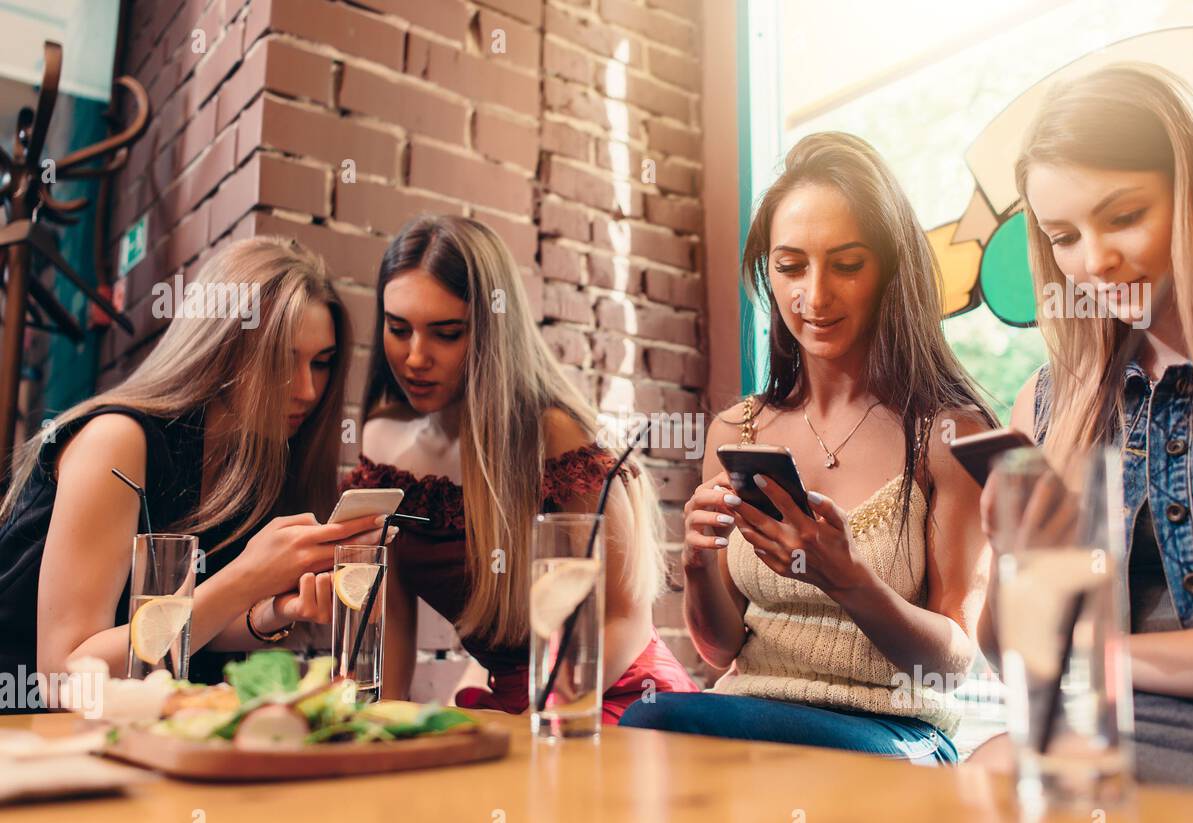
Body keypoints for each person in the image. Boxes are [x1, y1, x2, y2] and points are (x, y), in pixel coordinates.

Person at [974, 63, 1193, 796]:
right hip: (1098, 734)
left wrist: (1117, 659)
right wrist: (1015, 557)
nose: (1093, 261)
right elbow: (1013, 654)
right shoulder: (1052, 402)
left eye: (1123, 216)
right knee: (981, 784)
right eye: (1063, 235)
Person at [619, 132, 995, 762]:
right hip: (748, 713)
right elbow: (719, 650)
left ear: (890, 269)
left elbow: (954, 664)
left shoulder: (949, 432)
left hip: (891, 734)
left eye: (847, 265)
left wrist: (849, 580)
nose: (814, 296)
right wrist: (696, 561)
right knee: (646, 722)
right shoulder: (736, 430)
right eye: (791, 267)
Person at [0, 236, 382, 708]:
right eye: (282, 359)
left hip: (151, 742)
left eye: (321, 364)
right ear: (220, 346)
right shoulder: (117, 440)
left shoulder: (255, 457)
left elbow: (192, 632)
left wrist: (273, 611)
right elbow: (64, 677)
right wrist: (244, 578)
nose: (307, 389)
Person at [344, 214, 697, 719]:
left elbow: (623, 620)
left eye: (446, 333)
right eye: (398, 328)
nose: (414, 357)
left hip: (613, 693)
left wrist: (540, 721)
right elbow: (393, 612)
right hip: (512, 703)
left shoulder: (559, 434)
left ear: (492, 330)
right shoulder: (381, 439)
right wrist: (384, 728)